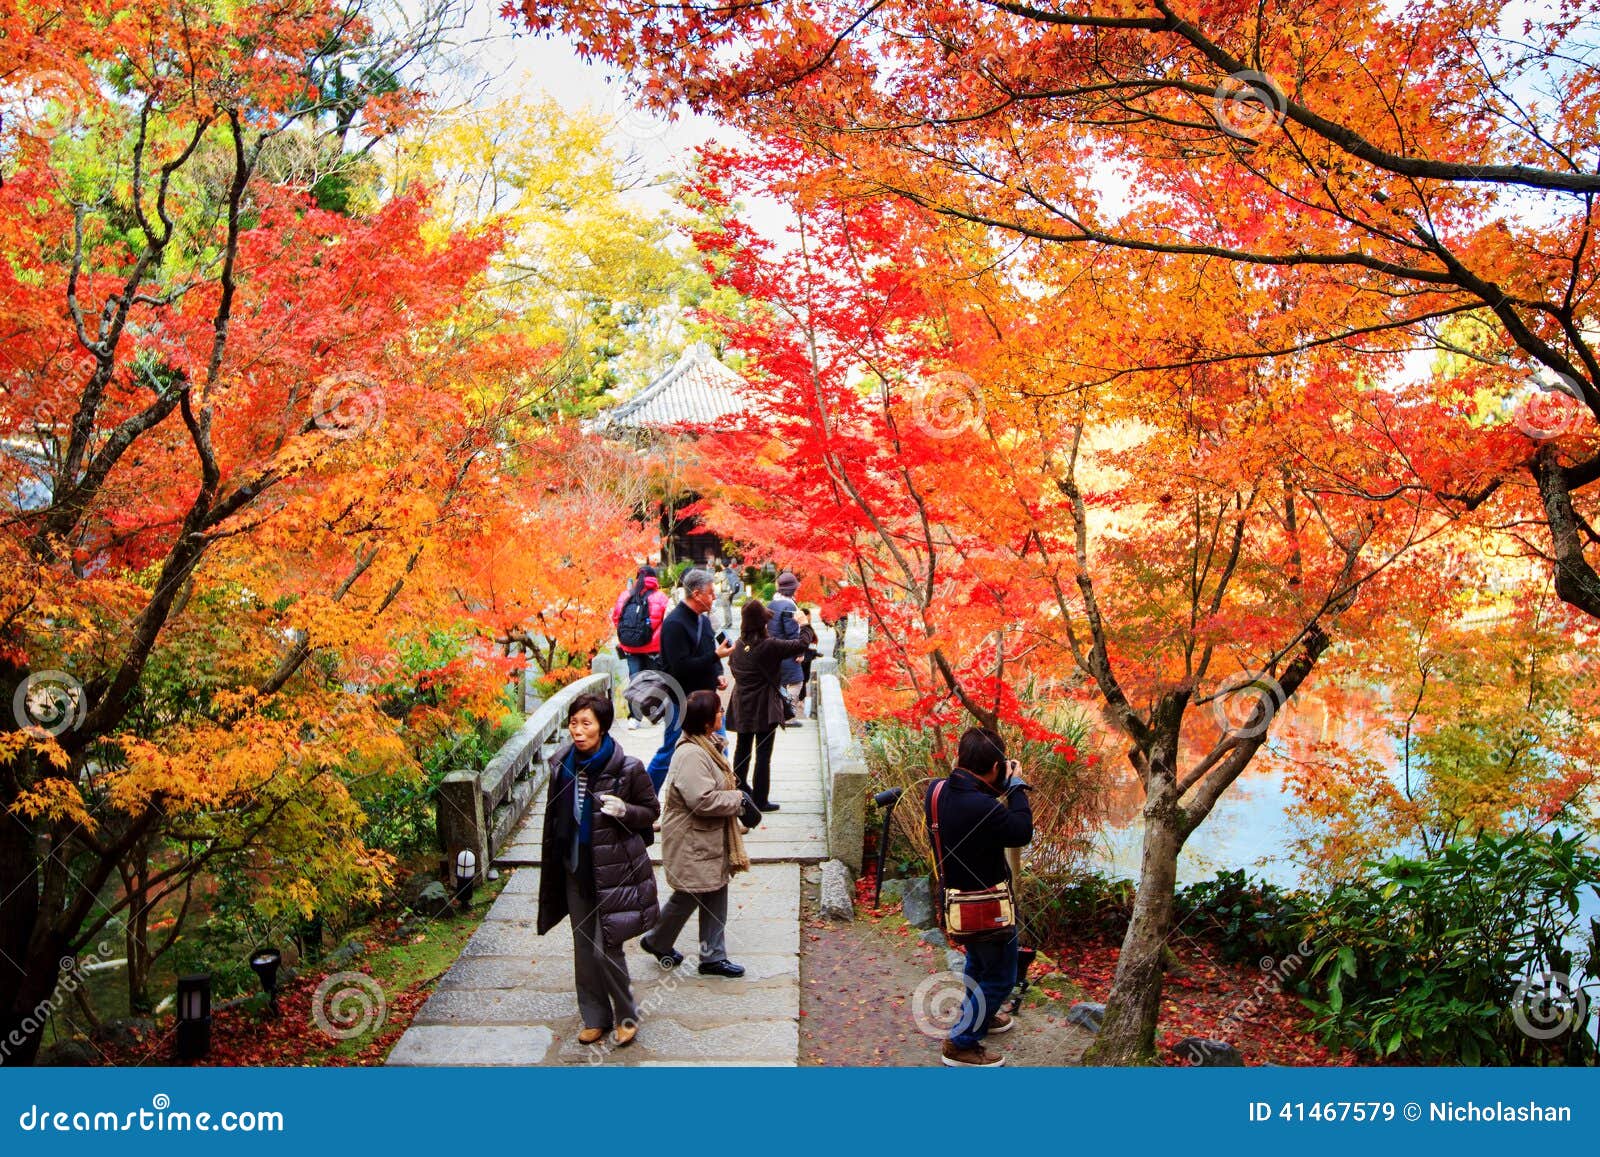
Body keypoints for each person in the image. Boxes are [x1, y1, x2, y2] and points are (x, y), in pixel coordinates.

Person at [536, 693, 660, 1049]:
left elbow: (651, 811)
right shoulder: (562, 763)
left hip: (613, 868)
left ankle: (626, 1016)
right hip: (574, 866)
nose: (578, 731)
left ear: (602, 727)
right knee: (583, 947)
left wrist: (625, 811)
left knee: (607, 947)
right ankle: (594, 1017)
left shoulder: (628, 768)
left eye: (586, 723)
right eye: (573, 723)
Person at [924, 727, 1033, 1067]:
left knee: (977, 963)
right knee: (1001, 976)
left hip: (956, 900)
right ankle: (962, 1042)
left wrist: (1000, 780)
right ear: (995, 767)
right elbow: (1021, 831)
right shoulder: (984, 807)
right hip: (987, 904)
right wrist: (1015, 786)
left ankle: (977, 1016)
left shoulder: (936, 791)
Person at [641, 690, 752, 978]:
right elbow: (701, 801)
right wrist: (738, 800)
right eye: (718, 712)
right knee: (690, 893)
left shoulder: (706, 746)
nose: (721, 716)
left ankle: (712, 956)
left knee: (715, 889)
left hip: (706, 837)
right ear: (705, 722)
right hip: (692, 838)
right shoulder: (691, 754)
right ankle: (658, 939)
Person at [647, 568, 734, 791]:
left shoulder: (703, 621)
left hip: (708, 699)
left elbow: (708, 652)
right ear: (697, 594)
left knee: (720, 750)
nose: (714, 597)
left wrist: (718, 672)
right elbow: (680, 667)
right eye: (711, 593)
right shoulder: (674, 624)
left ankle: (727, 809)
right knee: (669, 752)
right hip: (681, 700)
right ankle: (644, 802)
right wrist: (715, 656)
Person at [726, 599, 811, 811]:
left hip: (742, 703)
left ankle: (740, 794)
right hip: (764, 705)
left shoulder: (738, 646)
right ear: (762, 623)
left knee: (742, 750)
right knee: (763, 754)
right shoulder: (769, 646)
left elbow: (734, 670)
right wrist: (804, 624)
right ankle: (761, 800)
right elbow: (801, 644)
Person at [612, 565, 670, 730]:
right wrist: (654, 638)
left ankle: (634, 718)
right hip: (652, 647)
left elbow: (616, 618)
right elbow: (667, 623)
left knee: (634, 681)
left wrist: (627, 637)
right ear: (654, 578)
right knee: (655, 680)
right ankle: (654, 713)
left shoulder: (625, 595)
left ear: (637, 577)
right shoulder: (660, 597)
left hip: (630, 647)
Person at [766, 570, 805, 712]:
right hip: (786, 652)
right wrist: (799, 652)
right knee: (796, 681)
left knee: (779, 683)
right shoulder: (789, 606)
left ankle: (779, 711)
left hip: (772, 651)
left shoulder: (772, 604)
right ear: (792, 589)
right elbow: (793, 632)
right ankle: (786, 713)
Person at [793, 609, 820, 720]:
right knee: (802, 678)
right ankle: (799, 700)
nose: (809, 617)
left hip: (806, 656)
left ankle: (800, 700)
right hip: (803, 656)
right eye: (808, 615)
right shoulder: (802, 627)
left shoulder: (806, 627)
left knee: (804, 679)